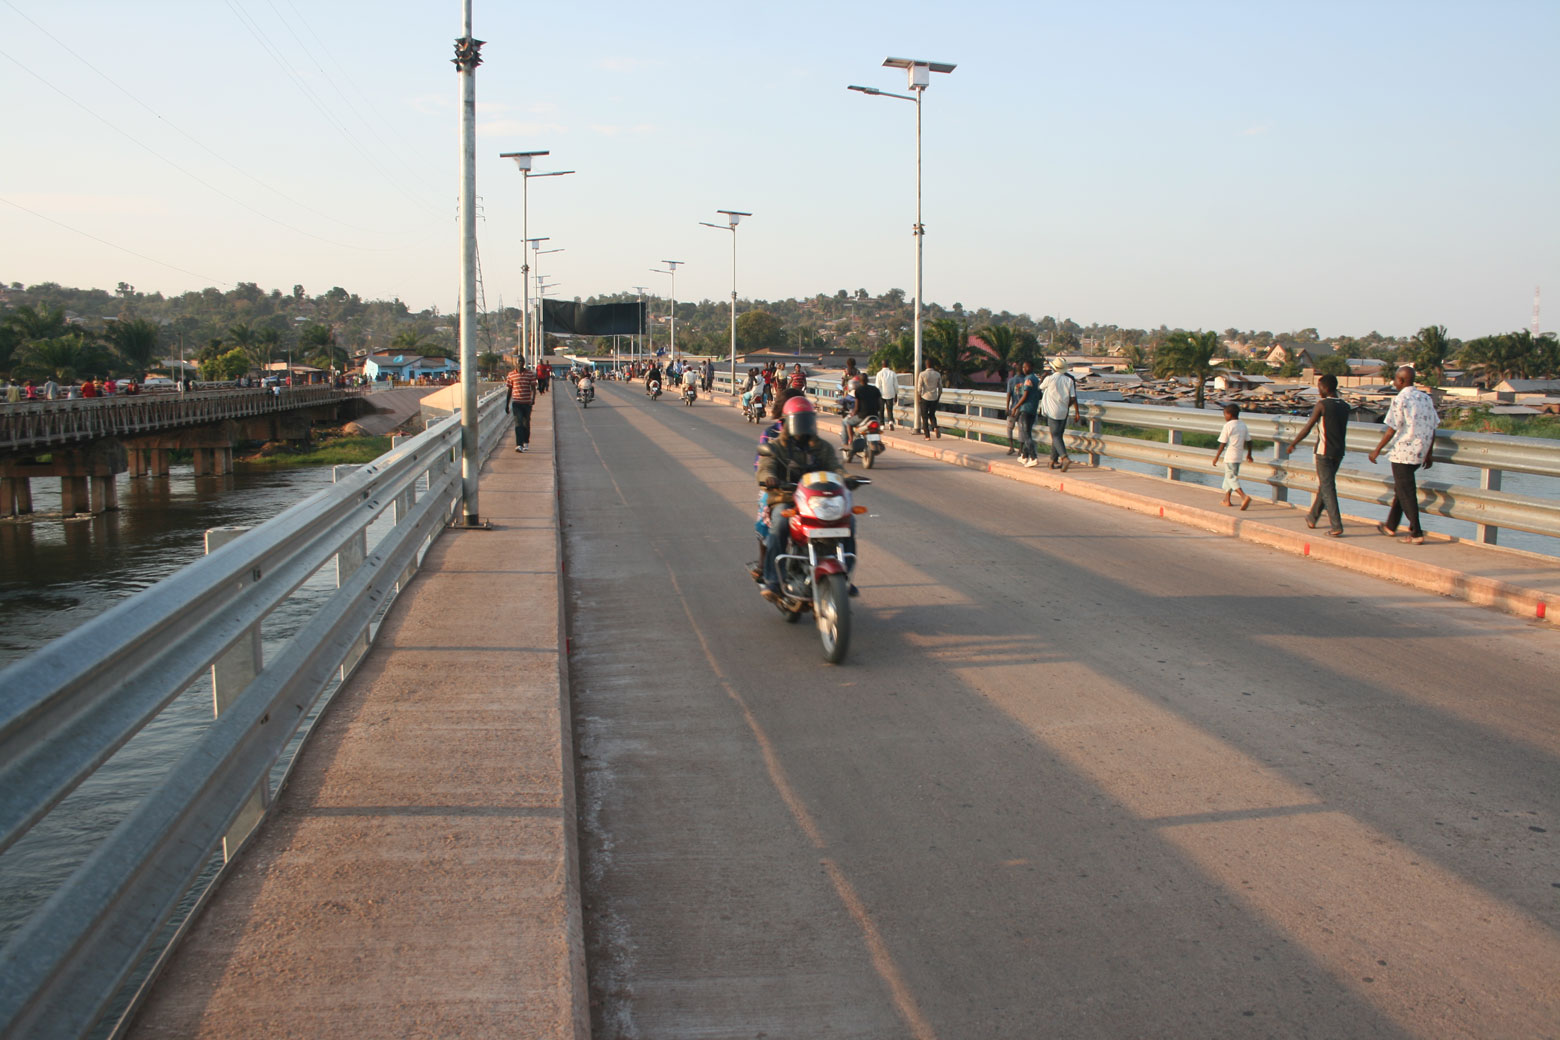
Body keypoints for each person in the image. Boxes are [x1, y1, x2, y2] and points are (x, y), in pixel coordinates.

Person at [756, 397, 850, 602]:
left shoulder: (822, 447)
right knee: (780, 524)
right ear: (788, 422)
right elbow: (765, 467)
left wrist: (846, 478)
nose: (804, 425)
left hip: (816, 501)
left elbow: (835, 467)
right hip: (786, 497)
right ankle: (772, 580)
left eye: (807, 420)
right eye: (799, 420)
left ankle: (845, 574)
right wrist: (769, 478)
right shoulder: (777, 447)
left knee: (848, 521)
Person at [1368, 365, 1438, 545]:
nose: (1394, 383)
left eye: (1395, 380)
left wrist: (1377, 449)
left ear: (1401, 380)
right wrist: (1428, 453)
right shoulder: (1425, 398)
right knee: (1402, 489)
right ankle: (1390, 526)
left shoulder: (1401, 399)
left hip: (1403, 452)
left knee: (1407, 492)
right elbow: (1433, 426)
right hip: (1420, 451)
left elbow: (1392, 428)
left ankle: (1416, 532)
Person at [1287, 373, 1350, 537]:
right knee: (1326, 485)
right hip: (1339, 451)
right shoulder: (1345, 405)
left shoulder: (1322, 405)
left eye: (1319, 387)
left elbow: (1308, 428)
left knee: (1328, 487)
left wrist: (1294, 443)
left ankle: (1336, 525)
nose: (1318, 390)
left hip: (1323, 451)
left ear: (1325, 388)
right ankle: (1312, 517)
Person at [1040, 356, 1085, 471]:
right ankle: (1052, 461)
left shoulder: (1050, 379)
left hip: (1052, 411)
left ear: (1053, 368)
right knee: (1058, 436)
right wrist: (1070, 408)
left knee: (1055, 436)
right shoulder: (1069, 380)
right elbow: (1073, 397)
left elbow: (1040, 387)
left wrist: (1043, 377)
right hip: (1064, 411)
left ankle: (1064, 458)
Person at [1212, 402, 1254, 510]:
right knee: (1229, 477)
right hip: (1239, 456)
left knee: (1231, 477)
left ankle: (1243, 496)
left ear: (1229, 414)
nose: (1224, 417)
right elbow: (1249, 441)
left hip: (1230, 456)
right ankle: (1227, 500)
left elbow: (1223, 443)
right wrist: (1249, 454)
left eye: (1225, 414)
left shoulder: (1228, 425)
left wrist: (1216, 457)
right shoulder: (1242, 425)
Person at [1010, 360, 1042, 466]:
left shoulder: (1028, 379)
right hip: (1033, 409)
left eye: (1026, 367)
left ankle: (1033, 457)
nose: (1024, 369)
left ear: (1031, 367)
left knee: (1026, 434)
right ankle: (1024, 456)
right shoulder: (1036, 379)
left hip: (1026, 409)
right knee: (1026, 432)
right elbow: (1039, 395)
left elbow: (1025, 396)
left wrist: (1016, 407)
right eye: (1023, 367)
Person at [505, 358, 538, 452]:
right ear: (515, 363)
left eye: (522, 361)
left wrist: (533, 399)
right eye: (518, 361)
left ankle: (525, 441)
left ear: (524, 363)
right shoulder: (511, 375)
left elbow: (533, 387)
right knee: (518, 423)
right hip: (516, 403)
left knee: (526, 423)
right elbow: (509, 390)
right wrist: (506, 404)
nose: (520, 363)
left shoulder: (529, 374)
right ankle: (519, 444)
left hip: (527, 403)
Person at [841, 374, 883, 447]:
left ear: (859, 381)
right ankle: (878, 441)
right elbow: (880, 404)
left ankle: (850, 442)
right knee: (876, 429)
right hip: (874, 415)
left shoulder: (858, 390)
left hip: (863, 416)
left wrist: (853, 413)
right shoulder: (875, 389)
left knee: (847, 423)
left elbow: (856, 407)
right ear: (868, 380)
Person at [915, 359, 942, 438]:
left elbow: (919, 388)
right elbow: (940, 387)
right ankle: (935, 427)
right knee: (932, 415)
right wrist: (938, 397)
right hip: (934, 397)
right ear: (933, 365)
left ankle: (927, 436)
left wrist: (919, 397)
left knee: (924, 416)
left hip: (925, 397)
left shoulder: (922, 374)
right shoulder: (937, 374)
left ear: (926, 365)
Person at [1003, 367, 1023, 455]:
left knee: (1010, 428)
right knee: (1021, 429)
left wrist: (1007, 407)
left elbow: (1008, 395)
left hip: (1013, 407)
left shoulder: (1011, 381)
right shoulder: (1026, 379)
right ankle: (1021, 449)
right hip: (1023, 408)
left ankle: (1011, 447)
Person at [874, 362, 899, 430]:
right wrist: (896, 394)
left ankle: (882, 424)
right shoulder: (892, 373)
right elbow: (895, 385)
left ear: (882, 365)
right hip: (890, 393)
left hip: (881, 394)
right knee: (890, 409)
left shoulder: (879, 374)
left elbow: (877, 385)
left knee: (881, 410)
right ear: (888, 365)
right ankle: (890, 422)